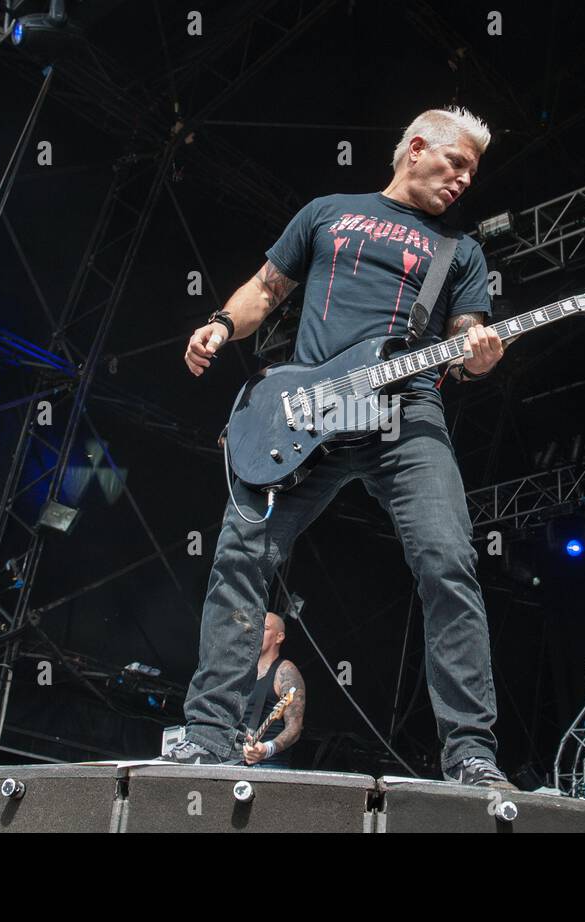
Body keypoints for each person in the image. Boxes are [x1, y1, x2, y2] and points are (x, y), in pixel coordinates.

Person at [163, 106, 514, 789]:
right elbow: (266, 290)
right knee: (240, 556)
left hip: (407, 415)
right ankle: (209, 738)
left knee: (448, 562)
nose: (466, 180)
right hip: (310, 413)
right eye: (458, 163)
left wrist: (481, 353)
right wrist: (219, 325)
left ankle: (471, 754)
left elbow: (468, 339)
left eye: (474, 171)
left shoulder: (460, 251)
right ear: (416, 148)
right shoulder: (328, 212)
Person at [240, 612, 305, 767]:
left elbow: (294, 727)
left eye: (266, 628)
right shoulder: (241, 671)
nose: (258, 632)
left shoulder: (285, 671)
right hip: (234, 759)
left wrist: (267, 749)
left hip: (268, 764)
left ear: (279, 637)